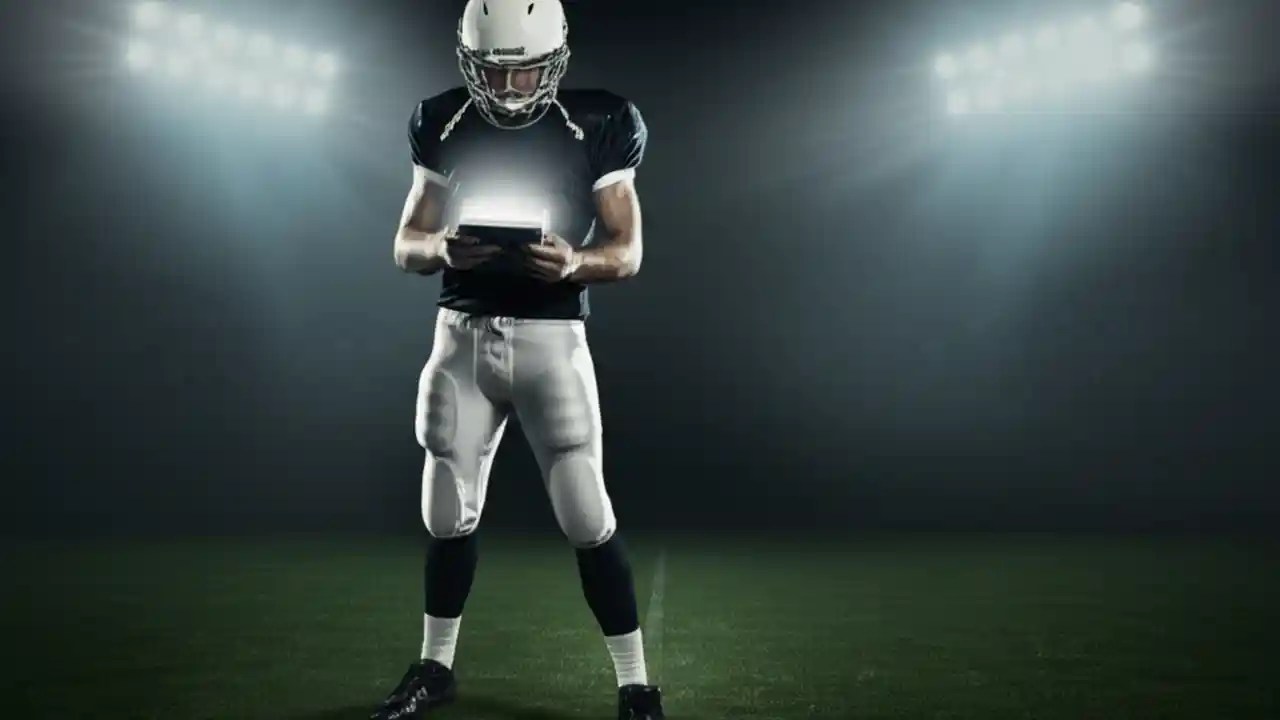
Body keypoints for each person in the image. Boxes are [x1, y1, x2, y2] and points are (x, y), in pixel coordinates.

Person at [374, 1, 663, 718]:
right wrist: (442, 249)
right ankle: (434, 669)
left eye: (522, 70)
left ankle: (636, 685)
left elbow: (625, 253)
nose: (507, 90)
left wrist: (573, 263)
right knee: (445, 507)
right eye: (494, 73)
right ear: (470, 62)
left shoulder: (596, 121)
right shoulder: (440, 120)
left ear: (556, 57)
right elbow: (406, 241)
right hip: (460, 337)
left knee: (585, 512)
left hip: (550, 340)